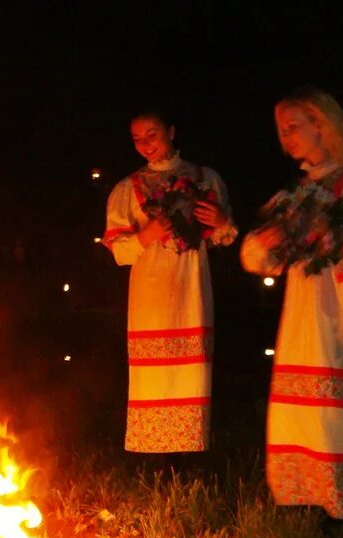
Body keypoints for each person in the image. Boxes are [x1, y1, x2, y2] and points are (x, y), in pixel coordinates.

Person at [240, 87, 343, 520]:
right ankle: (307, 498)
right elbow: (257, 257)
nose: (285, 137)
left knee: (338, 412)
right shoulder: (299, 192)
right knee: (305, 411)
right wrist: (269, 242)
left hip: (340, 310)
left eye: (294, 127)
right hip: (303, 313)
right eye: (280, 130)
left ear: (321, 126)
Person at [102, 111, 238, 455]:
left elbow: (224, 237)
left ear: (172, 132)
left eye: (152, 135)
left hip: (191, 289)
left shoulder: (206, 179)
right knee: (154, 378)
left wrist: (222, 221)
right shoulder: (126, 189)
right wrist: (147, 234)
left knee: (190, 373)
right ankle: (154, 457)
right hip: (150, 293)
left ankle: (191, 453)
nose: (145, 144)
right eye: (137, 139)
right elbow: (119, 251)